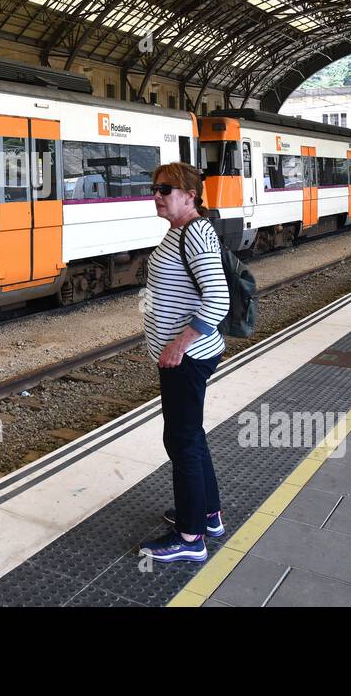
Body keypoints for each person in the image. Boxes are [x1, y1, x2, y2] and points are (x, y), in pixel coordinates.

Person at [139, 161, 230, 563]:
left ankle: (190, 539)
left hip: (186, 359)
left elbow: (218, 299)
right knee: (190, 435)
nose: (156, 196)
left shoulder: (194, 235)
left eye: (165, 189)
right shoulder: (178, 232)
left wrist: (178, 345)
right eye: (155, 189)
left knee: (181, 440)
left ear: (190, 195)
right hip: (182, 357)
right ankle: (208, 515)